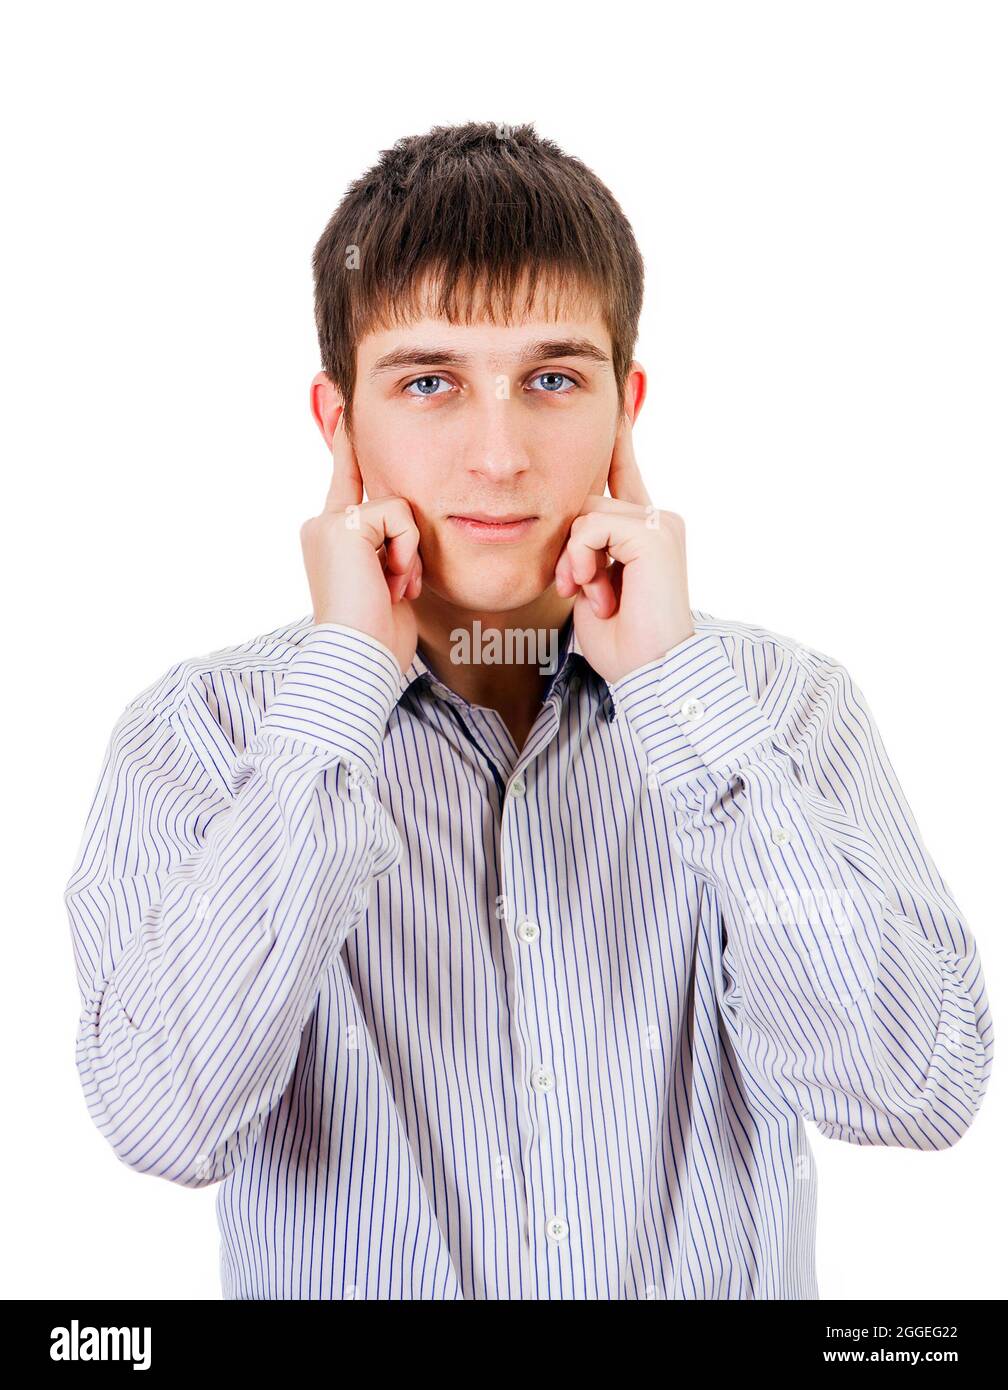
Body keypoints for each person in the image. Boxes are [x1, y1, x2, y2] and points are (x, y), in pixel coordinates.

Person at [64, 121, 992, 1300]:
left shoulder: (780, 710)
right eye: (430, 382)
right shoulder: (206, 733)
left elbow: (916, 1087)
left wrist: (676, 695)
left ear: (625, 410)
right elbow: (166, 1117)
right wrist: (341, 685)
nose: (498, 456)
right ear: (339, 424)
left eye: (553, 379)